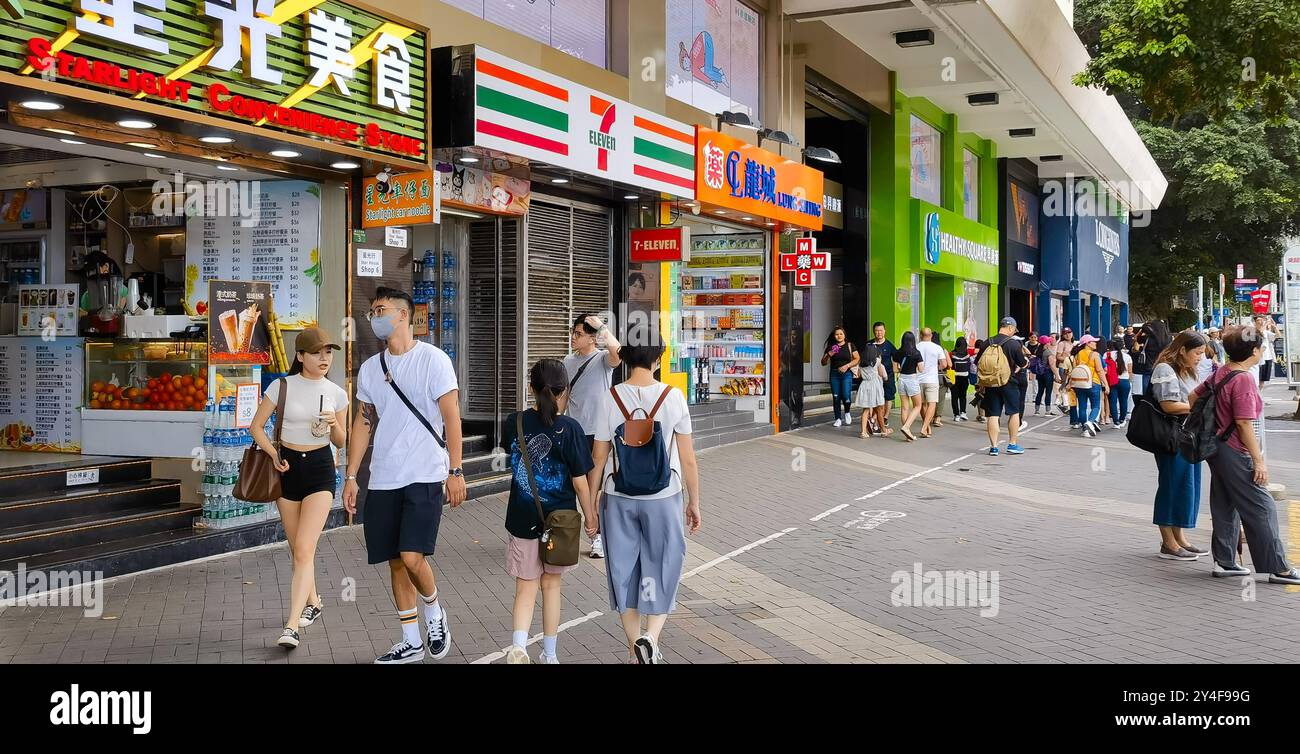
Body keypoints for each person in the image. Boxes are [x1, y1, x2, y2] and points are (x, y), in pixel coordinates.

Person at [343, 288, 466, 664]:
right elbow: (363, 423)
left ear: (403, 316)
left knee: (413, 557)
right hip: (383, 477)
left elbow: (451, 418)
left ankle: (434, 611)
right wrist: (350, 475)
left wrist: (455, 470)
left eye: (381, 310)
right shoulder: (370, 368)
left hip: (425, 473)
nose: (374, 317)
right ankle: (410, 642)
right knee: (395, 561)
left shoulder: (434, 360)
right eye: (372, 311)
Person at [591, 333, 702, 663]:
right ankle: (650, 639)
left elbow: (598, 456)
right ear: (658, 359)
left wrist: (591, 506)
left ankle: (634, 642)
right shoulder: (674, 397)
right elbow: (689, 458)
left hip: (618, 496)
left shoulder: (610, 398)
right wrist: (694, 501)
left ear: (624, 357)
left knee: (623, 569)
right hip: (664, 496)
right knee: (661, 566)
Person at [250, 327, 348, 650]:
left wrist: (335, 425)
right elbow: (256, 427)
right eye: (317, 352)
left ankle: (291, 625)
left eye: (328, 352)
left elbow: (341, 441)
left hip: (320, 469)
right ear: (300, 356)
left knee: (305, 547)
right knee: (298, 549)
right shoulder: (281, 387)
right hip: (287, 468)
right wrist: (274, 453)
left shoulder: (336, 392)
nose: (324, 358)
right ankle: (315, 601)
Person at [501, 360, 597, 664]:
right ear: (564, 391)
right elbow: (580, 484)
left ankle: (519, 646)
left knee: (525, 588)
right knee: (552, 587)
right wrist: (591, 520)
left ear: (530, 389)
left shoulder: (513, 422)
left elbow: (511, 458)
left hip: (522, 520)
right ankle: (550, 655)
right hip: (561, 525)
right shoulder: (570, 429)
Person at [1193, 325, 1300, 584]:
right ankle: (1278, 566)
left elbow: (1192, 397)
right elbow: (1243, 423)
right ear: (1253, 351)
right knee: (1261, 506)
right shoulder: (1243, 379)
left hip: (1215, 447)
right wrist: (1259, 461)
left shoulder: (1222, 372)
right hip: (1234, 449)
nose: (1263, 351)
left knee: (1225, 503)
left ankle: (1226, 561)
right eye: (1261, 347)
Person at [565, 314, 622, 560]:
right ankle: (567, 531)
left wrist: (602, 328)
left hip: (599, 432)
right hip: (574, 431)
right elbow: (564, 395)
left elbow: (619, 352)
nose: (573, 337)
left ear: (591, 338)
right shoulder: (567, 362)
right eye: (573, 332)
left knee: (593, 486)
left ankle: (596, 535)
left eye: (578, 334)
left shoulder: (601, 359)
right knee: (575, 486)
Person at [1148, 332, 1208, 561]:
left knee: (1186, 485)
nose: (1200, 357)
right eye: (1197, 353)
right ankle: (1168, 542)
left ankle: (1180, 538)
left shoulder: (1186, 369)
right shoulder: (1165, 369)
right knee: (1171, 485)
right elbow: (1168, 405)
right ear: (1182, 349)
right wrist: (1198, 409)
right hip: (1171, 436)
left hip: (1187, 435)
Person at [974, 317, 1028, 456]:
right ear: (1010, 328)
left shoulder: (987, 342)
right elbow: (1022, 364)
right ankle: (1012, 444)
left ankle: (993, 447)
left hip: (990, 383)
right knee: (1014, 413)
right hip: (1009, 383)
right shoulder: (1013, 344)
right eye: (1013, 330)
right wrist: (1026, 362)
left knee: (992, 415)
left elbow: (977, 362)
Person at [821, 326, 859, 428]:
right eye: (837, 334)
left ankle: (847, 412)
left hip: (846, 374)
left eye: (841, 334)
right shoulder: (831, 347)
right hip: (834, 374)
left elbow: (857, 359)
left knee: (846, 395)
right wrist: (829, 354)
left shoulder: (850, 345)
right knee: (836, 396)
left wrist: (847, 366)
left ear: (844, 335)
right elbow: (823, 363)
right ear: (834, 336)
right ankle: (837, 418)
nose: (839, 336)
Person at [1070, 336, 1106, 437]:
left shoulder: (1077, 355)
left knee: (1082, 407)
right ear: (1087, 343)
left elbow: (1073, 371)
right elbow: (1100, 370)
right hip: (1094, 383)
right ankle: (1090, 422)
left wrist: (1070, 384)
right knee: (1096, 406)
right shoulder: (1095, 354)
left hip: (1079, 384)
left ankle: (1085, 430)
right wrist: (1106, 384)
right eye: (1093, 342)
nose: (1095, 343)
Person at [916, 328, 949, 437]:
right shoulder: (937, 348)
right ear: (930, 336)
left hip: (918, 379)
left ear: (920, 335)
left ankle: (927, 427)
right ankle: (925, 427)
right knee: (932, 403)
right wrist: (935, 368)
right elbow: (944, 364)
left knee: (922, 404)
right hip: (932, 379)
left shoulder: (916, 346)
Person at [852, 343, 890, 438]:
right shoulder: (877, 361)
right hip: (875, 385)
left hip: (864, 385)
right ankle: (882, 429)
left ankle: (863, 432)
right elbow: (882, 374)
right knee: (879, 407)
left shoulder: (861, 362)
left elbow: (858, 375)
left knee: (865, 410)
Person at [892, 331, 924, 442]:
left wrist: (902, 368)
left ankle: (907, 434)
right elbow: (921, 369)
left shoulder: (897, 353)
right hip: (912, 380)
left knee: (905, 407)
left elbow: (895, 369)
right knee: (917, 406)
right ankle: (906, 427)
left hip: (901, 380)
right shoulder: (916, 353)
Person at [869, 322, 898, 431]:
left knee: (888, 397)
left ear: (884, 331)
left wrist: (895, 371)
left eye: (881, 330)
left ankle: (885, 417)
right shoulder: (869, 344)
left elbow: (896, 358)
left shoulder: (889, 345)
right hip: (873, 377)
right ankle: (873, 418)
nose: (879, 333)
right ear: (874, 332)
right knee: (874, 398)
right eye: (876, 331)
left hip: (888, 376)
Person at [780, 326, 805, 428]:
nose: (793, 337)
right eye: (791, 335)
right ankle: (795, 412)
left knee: (797, 396)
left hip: (798, 375)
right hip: (788, 375)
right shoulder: (787, 346)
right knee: (785, 396)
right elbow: (781, 358)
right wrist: (783, 366)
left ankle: (797, 417)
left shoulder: (801, 347)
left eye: (795, 335)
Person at [1107, 337, 1133, 429]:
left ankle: (1116, 422)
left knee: (1113, 401)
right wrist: (1129, 381)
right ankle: (1122, 420)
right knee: (1124, 401)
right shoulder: (1128, 357)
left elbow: (1105, 369)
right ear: (1123, 345)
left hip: (1112, 381)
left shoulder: (1107, 355)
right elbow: (1130, 372)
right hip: (1124, 380)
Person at [1031, 335, 1057, 416]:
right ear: (1046, 343)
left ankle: (1037, 410)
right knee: (1048, 392)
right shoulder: (1048, 352)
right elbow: (1052, 365)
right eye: (1049, 341)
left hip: (1039, 373)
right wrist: (1057, 375)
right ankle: (1047, 411)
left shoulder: (1037, 351)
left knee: (1040, 391)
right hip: (1048, 373)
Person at [1053, 327, 1077, 415]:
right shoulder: (1062, 344)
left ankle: (1063, 403)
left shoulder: (1074, 343)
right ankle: (1064, 404)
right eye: (1065, 333)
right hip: (1063, 366)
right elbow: (1058, 356)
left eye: (1069, 332)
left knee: (1068, 385)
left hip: (1072, 367)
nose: (1068, 335)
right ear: (1063, 335)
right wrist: (1067, 358)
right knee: (1065, 384)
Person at [949, 336, 972, 421]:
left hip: (954, 378)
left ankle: (956, 415)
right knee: (963, 396)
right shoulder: (967, 354)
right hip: (965, 377)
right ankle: (963, 412)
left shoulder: (952, 354)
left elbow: (950, 366)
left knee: (954, 396)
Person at [1253, 316, 1279, 384]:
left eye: (1262, 320)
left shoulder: (1266, 332)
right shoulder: (1253, 331)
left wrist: (1275, 326)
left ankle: (1259, 393)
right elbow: (1260, 332)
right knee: (1257, 379)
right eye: (1258, 320)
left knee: (1263, 380)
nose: (1261, 321)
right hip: (1258, 358)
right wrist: (1266, 324)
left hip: (1267, 357)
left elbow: (1278, 335)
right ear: (1255, 322)